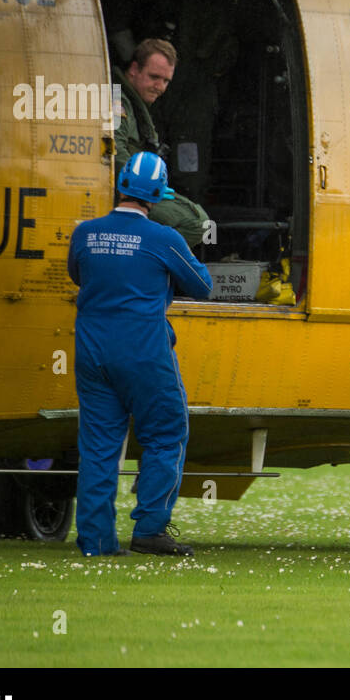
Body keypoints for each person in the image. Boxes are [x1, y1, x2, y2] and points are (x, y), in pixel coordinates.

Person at [67, 152, 213, 557]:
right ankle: (150, 529)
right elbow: (203, 286)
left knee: (98, 446)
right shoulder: (165, 238)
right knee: (166, 434)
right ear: (158, 195)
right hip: (145, 352)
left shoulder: (85, 233)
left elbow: (78, 275)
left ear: (120, 185)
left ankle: (96, 541)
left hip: (92, 351)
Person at [112, 39, 211, 249]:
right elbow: (113, 149)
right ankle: (144, 263)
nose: (160, 87)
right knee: (197, 222)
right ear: (134, 70)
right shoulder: (116, 101)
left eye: (166, 81)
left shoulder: (132, 101)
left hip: (133, 190)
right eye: (154, 77)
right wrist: (144, 188)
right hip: (128, 192)